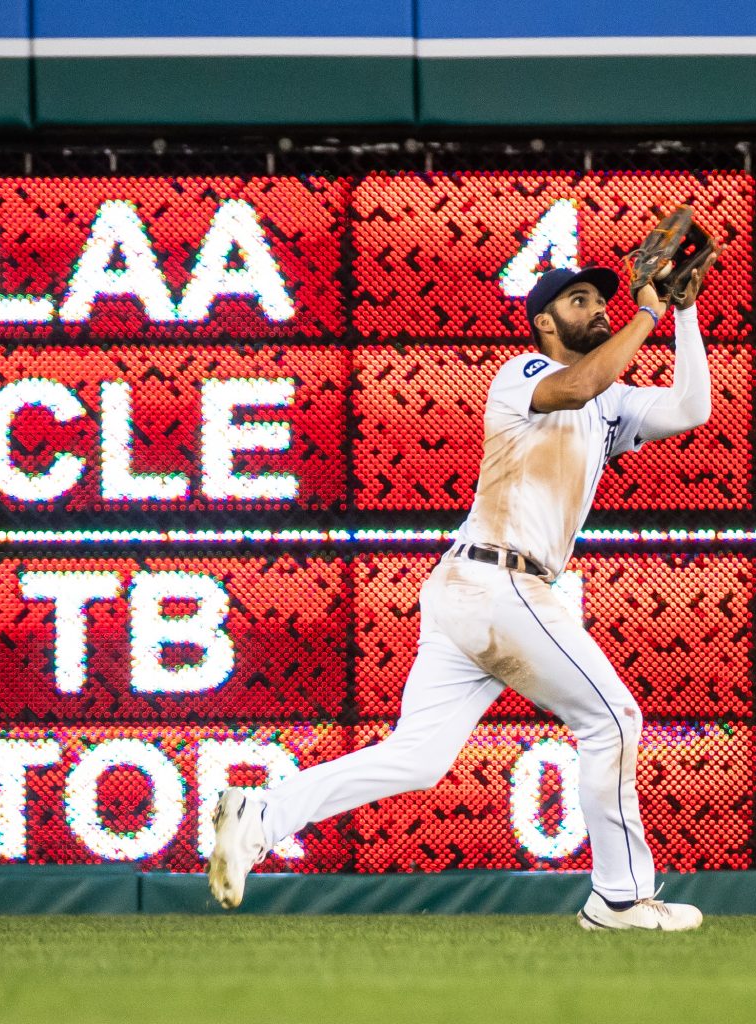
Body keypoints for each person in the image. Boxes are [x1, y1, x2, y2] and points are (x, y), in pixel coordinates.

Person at [208, 256, 717, 930]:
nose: (597, 311)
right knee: (612, 720)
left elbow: (690, 408)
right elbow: (582, 382)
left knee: (417, 757)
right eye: (581, 302)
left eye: (601, 301)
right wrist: (646, 312)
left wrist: (682, 310)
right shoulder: (526, 375)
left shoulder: (608, 404)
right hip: (499, 583)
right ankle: (618, 898)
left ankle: (262, 815)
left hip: (473, 590)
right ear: (545, 322)